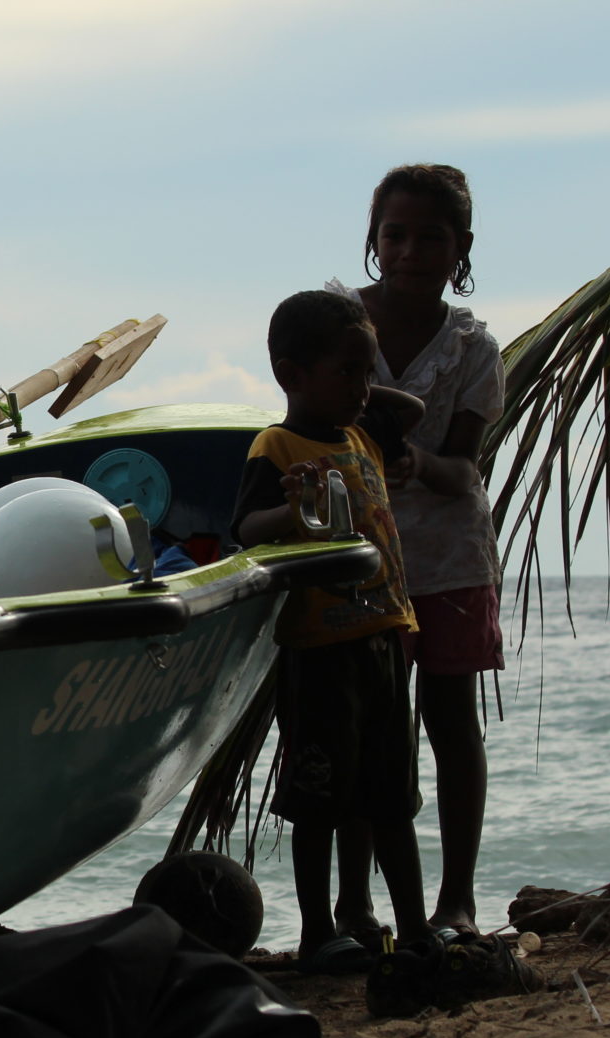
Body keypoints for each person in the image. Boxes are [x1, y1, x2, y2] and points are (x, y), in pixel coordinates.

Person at [328, 164, 506, 937]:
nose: (409, 251)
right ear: (373, 240)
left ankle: (456, 900)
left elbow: (466, 469)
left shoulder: (472, 347)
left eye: (430, 237)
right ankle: (357, 904)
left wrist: (416, 466)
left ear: (460, 247)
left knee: (450, 722)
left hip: (446, 557)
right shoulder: (334, 323)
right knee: (367, 730)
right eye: (394, 235)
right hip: (357, 556)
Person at [232, 290, 429, 971]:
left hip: (380, 639)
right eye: (347, 370)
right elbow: (245, 531)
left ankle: (416, 928)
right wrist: (288, 511)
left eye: (366, 371)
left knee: (391, 797)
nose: (362, 386)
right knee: (319, 797)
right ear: (292, 375)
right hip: (319, 651)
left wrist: (360, 383)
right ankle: (320, 930)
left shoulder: (363, 434)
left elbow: (412, 411)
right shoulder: (278, 446)